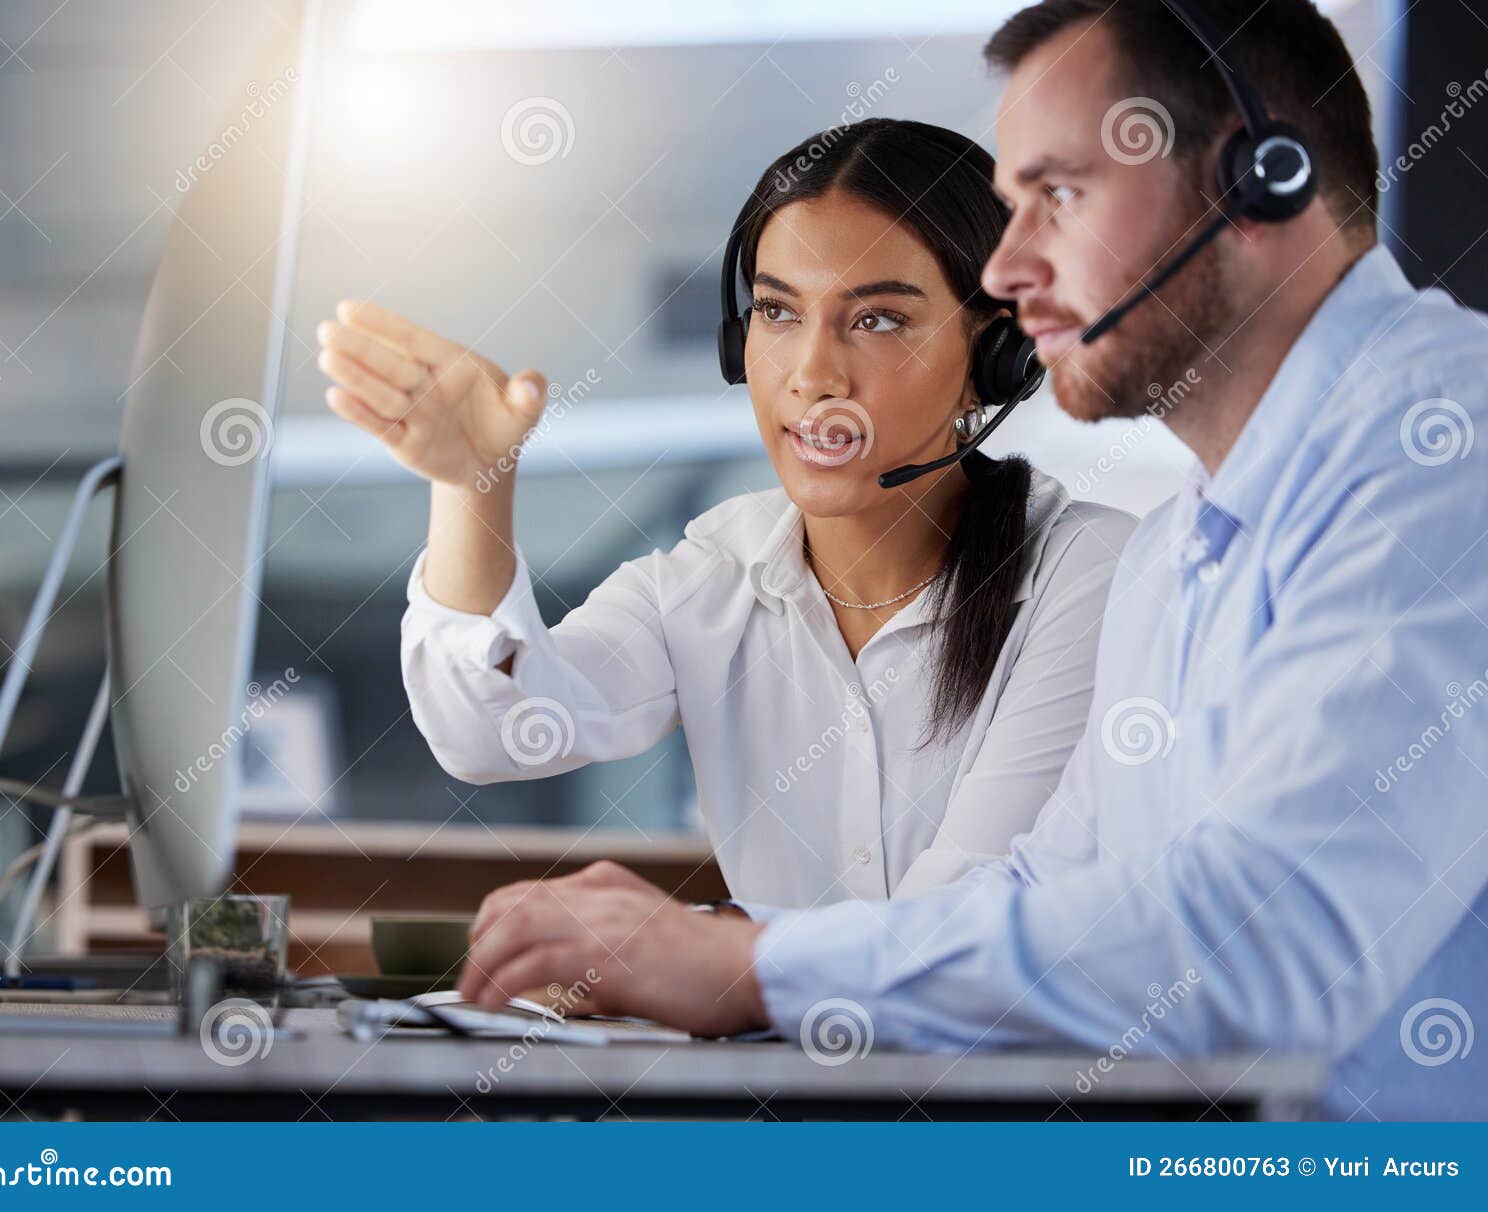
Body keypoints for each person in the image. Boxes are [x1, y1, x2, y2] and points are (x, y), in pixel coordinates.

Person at [456, 0, 1488, 1120]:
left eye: (1056, 195)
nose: (1005, 269)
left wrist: (752, 969)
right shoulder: (1181, 549)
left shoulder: (1444, 446)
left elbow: (1277, 946)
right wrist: (721, 955)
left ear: (1258, 181)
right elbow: (1047, 891)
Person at [317, 119, 1133, 909]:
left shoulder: (1091, 580)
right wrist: (473, 484)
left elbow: (970, 919)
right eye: (779, 311)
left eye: (877, 319)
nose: (812, 374)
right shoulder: (709, 579)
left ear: (994, 361)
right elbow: (491, 732)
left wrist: (695, 956)